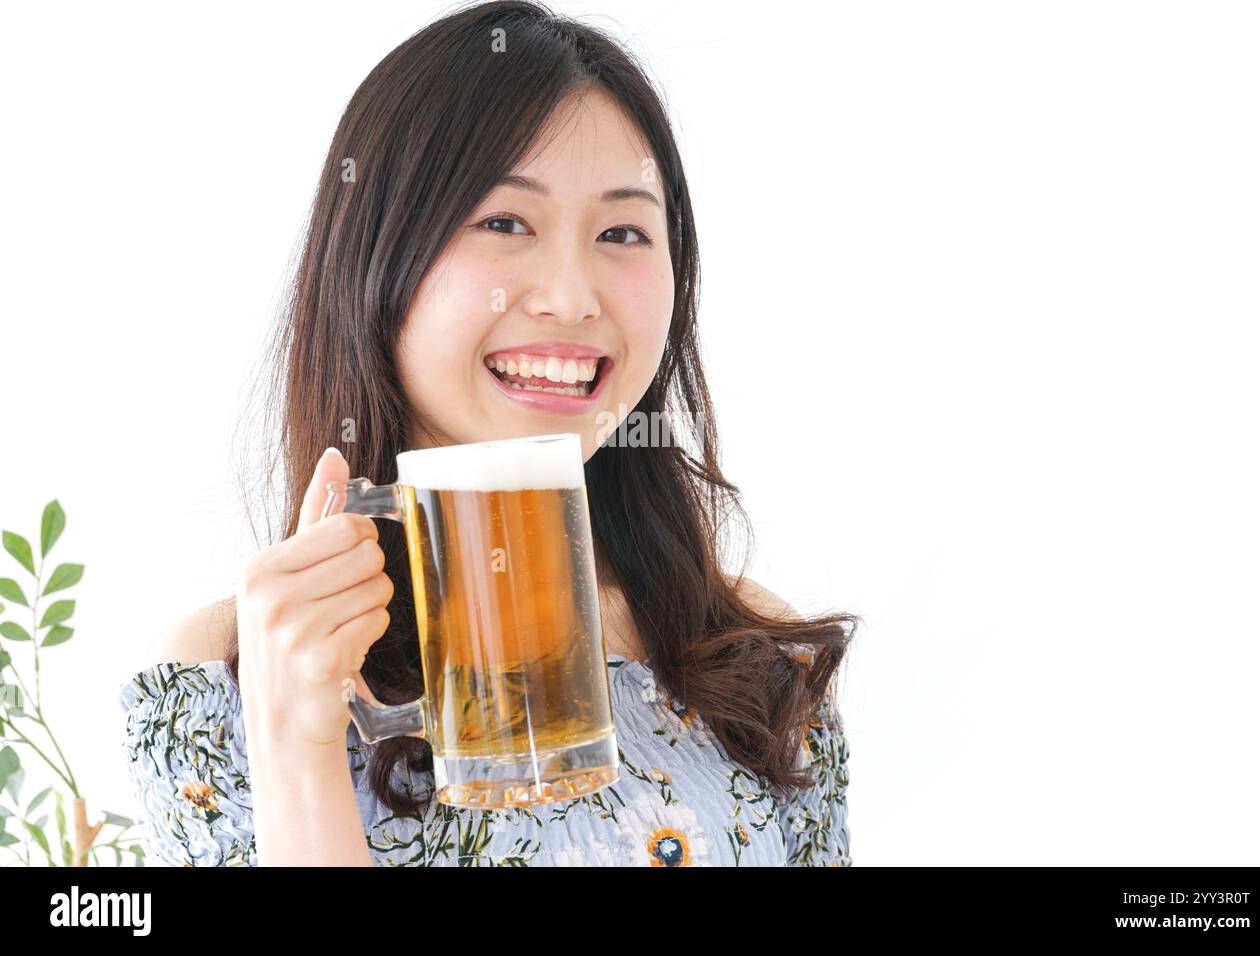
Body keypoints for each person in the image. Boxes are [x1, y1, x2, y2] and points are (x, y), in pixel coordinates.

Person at [117, 0, 858, 867]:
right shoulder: (223, 679)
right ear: (375, 260)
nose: (572, 295)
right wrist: (296, 745)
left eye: (623, 231)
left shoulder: (751, 654)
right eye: (505, 222)